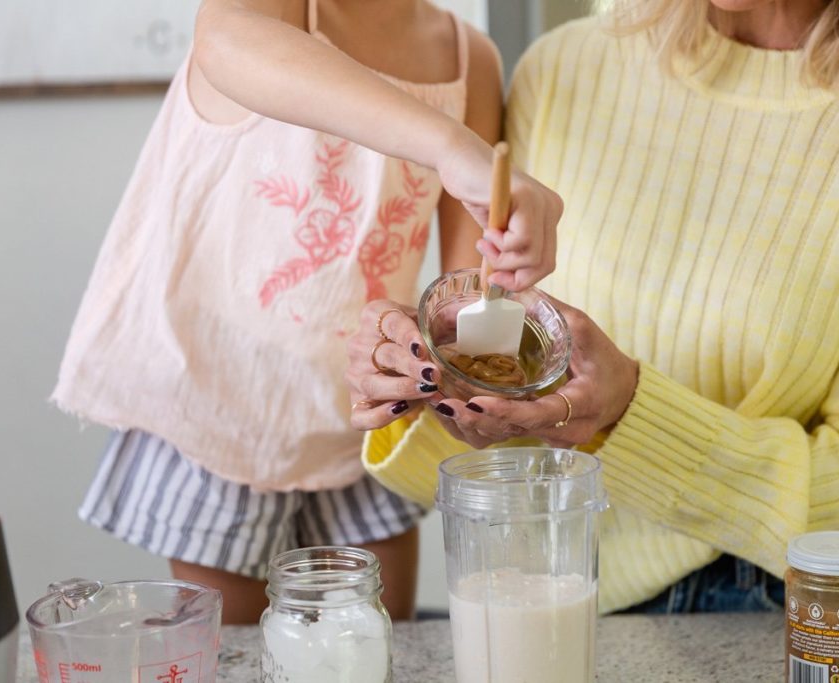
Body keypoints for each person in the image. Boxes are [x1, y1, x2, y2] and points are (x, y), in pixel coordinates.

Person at [348, 0, 839, 613]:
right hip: (560, 582)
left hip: (799, 601)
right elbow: (518, 425)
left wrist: (628, 410)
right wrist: (441, 386)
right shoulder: (565, 70)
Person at [52, 0, 561, 623]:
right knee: (234, 658)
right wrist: (451, 144)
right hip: (226, 408)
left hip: (363, 420)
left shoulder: (469, 59)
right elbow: (224, 41)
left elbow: (464, 286)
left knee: (373, 646)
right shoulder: (275, 12)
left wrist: (497, 285)